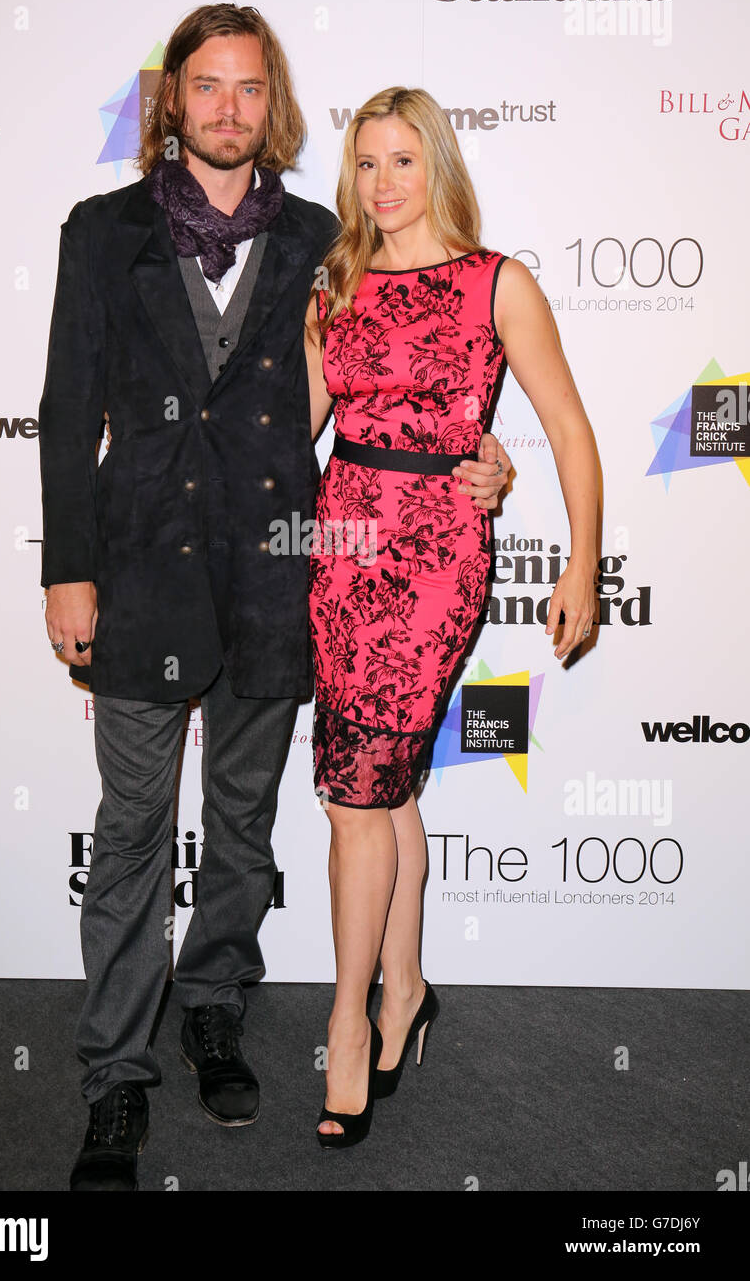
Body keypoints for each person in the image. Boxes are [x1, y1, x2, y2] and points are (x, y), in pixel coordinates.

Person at [39, 9, 511, 1189]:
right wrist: (66, 566)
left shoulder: (324, 236)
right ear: (173, 100)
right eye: (208, 86)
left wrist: (481, 459)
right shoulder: (101, 233)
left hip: (274, 577)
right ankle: (113, 1076)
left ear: (274, 102)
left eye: (251, 87)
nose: (230, 107)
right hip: (140, 573)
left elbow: (410, 365)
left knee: (242, 830)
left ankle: (212, 1010)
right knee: (135, 833)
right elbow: (63, 409)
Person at [304, 86, 600, 1148]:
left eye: (401, 162)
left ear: (437, 165)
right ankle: (406, 989)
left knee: (352, 795)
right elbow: (287, 440)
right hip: (338, 549)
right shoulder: (331, 285)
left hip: (433, 556)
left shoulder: (495, 282)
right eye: (366, 164)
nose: (382, 185)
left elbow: (566, 427)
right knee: (379, 788)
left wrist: (580, 565)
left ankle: (345, 1023)